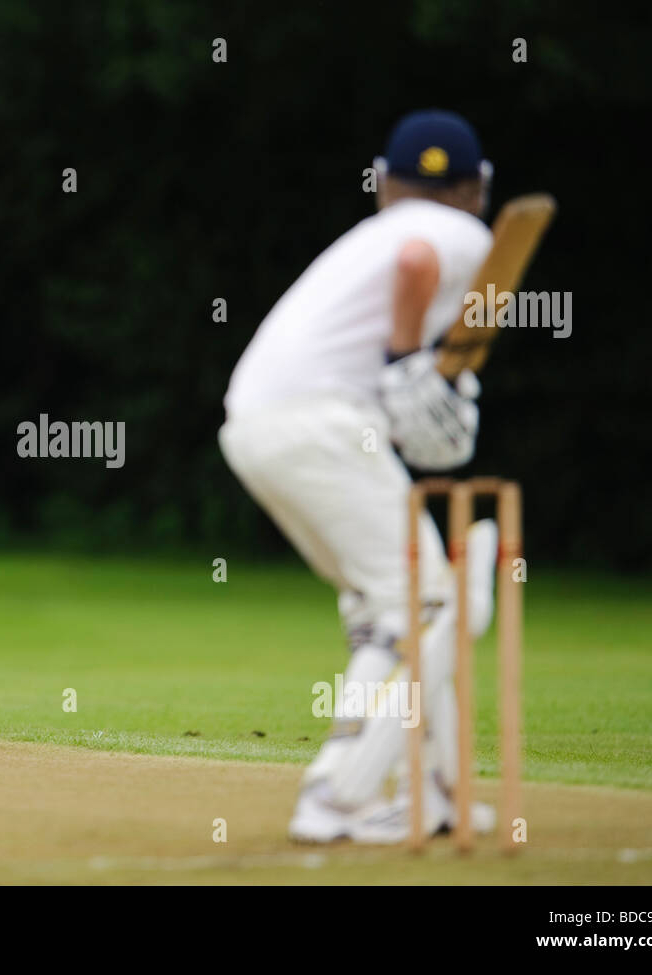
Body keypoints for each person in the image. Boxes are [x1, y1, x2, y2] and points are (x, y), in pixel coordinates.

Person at [218, 110, 501, 842]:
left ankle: (431, 792)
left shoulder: (364, 235)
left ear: (382, 183)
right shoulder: (466, 235)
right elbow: (416, 265)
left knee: (390, 608)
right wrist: (408, 356)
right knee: (434, 604)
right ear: (477, 188)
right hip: (320, 425)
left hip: (254, 423)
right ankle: (337, 794)